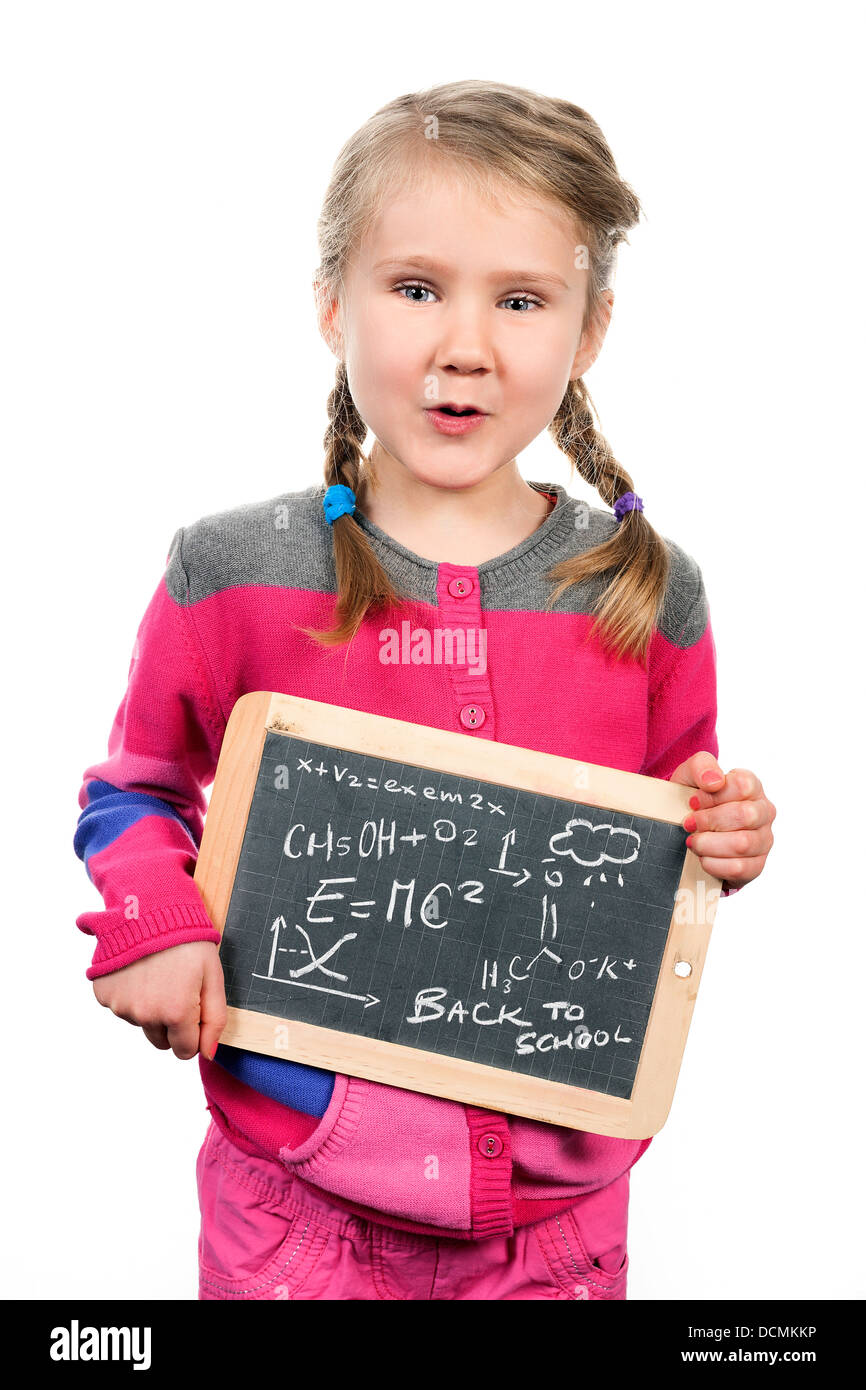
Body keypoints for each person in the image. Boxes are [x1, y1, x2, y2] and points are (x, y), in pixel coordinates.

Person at [73, 79, 776, 1300]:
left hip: (556, 1227)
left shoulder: (646, 590)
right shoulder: (233, 573)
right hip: (294, 1207)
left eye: (519, 299)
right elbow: (132, 789)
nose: (464, 344)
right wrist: (153, 919)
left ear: (589, 329)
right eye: (414, 289)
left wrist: (724, 829)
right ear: (329, 302)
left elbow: (670, 837)